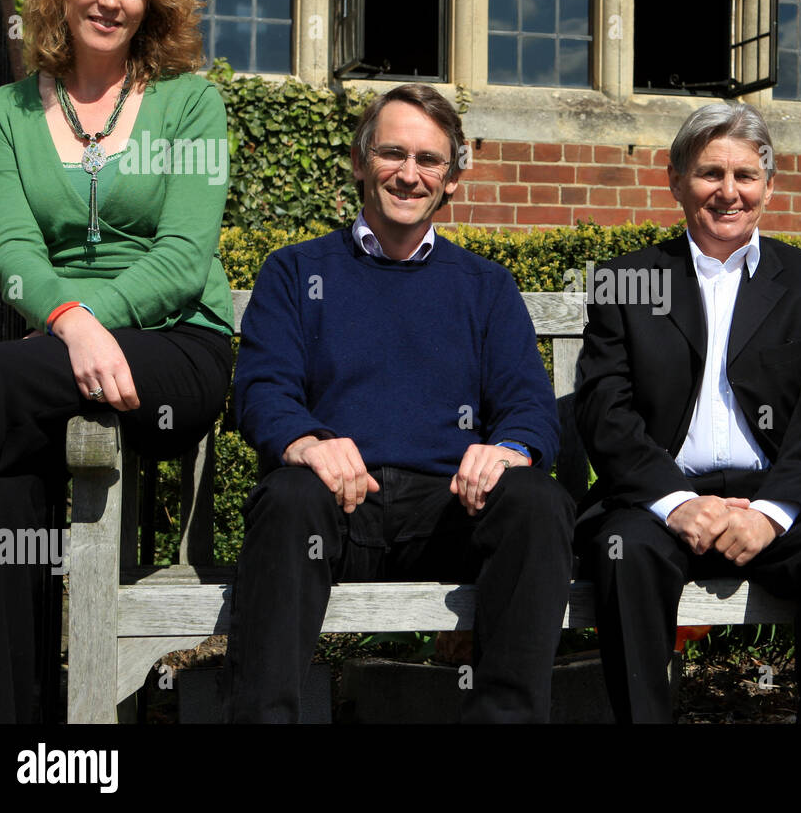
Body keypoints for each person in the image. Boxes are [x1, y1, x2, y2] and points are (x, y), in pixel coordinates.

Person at [223, 83, 574, 723]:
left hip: (448, 515)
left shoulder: (485, 287)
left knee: (537, 502)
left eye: (429, 160)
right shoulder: (297, 272)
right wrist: (305, 442)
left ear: (450, 179)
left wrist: (510, 449)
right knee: (288, 494)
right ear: (360, 162)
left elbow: (528, 402)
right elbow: (263, 387)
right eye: (392, 153)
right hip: (335, 510)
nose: (409, 175)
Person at [0, 0, 233, 722]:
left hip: (174, 350)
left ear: (153, 2)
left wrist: (90, 320)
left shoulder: (189, 103)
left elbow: (185, 259)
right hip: (58, 361)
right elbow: (13, 257)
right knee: (2, 503)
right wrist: (74, 324)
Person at [574, 103, 801, 723]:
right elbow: (606, 409)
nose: (729, 192)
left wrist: (771, 512)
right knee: (623, 551)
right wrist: (677, 502)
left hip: (780, 497)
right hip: (660, 500)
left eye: (746, 175)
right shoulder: (627, 282)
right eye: (710, 173)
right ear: (676, 178)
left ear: (769, 184)